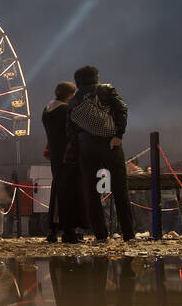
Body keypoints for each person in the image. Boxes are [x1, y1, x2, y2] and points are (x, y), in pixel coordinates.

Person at [65, 65, 133, 242]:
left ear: (77, 82)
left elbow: (70, 130)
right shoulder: (106, 90)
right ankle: (128, 233)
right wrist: (118, 134)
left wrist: (78, 147)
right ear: (96, 78)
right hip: (111, 145)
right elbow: (122, 109)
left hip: (87, 148)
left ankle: (101, 235)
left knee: (92, 194)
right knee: (120, 190)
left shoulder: (74, 101)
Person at [42, 81, 80, 243]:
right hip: (68, 155)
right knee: (69, 193)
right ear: (70, 95)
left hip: (55, 157)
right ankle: (69, 231)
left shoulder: (46, 111)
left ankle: (53, 230)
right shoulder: (66, 111)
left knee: (57, 192)